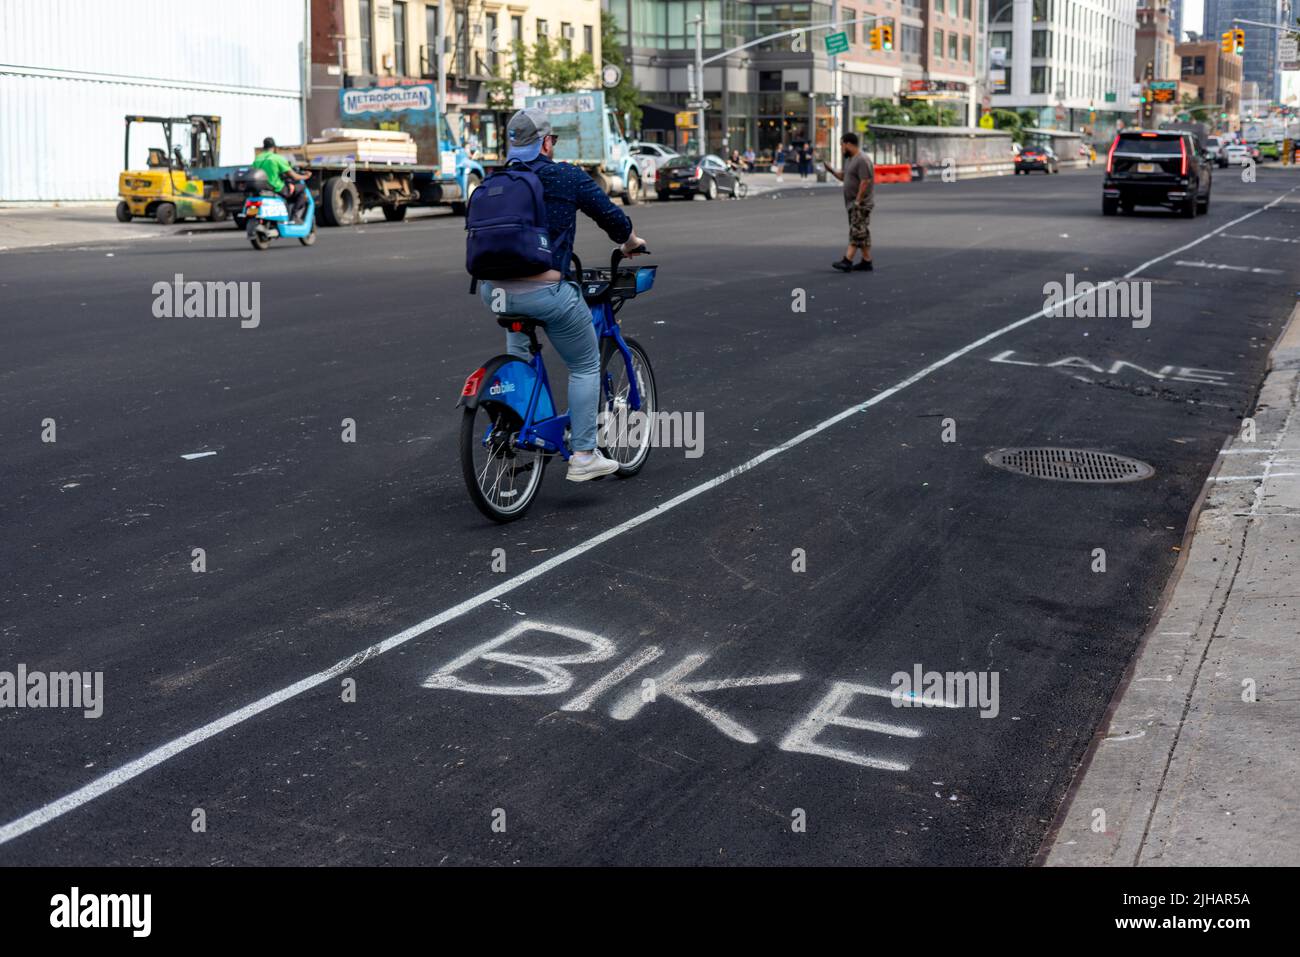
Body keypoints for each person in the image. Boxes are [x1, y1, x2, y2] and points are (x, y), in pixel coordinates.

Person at [477, 107, 648, 482]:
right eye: (551, 139)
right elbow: (613, 219)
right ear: (546, 142)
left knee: (518, 356)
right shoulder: (565, 175)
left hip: (494, 293)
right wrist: (631, 242)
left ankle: (519, 427)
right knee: (584, 363)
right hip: (545, 290)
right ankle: (584, 455)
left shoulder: (496, 179)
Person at [824, 132, 874, 272]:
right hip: (852, 203)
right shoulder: (850, 160)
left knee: (856, 232)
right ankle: (866, 261)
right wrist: (832, 171)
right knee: (861, 231)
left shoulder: (862, 159)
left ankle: (847, 260)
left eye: (841, 145)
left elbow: (865, 181)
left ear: (849, 144)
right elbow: (844, 177)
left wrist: (858, 201)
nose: (841, 148)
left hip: (861, 204)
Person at [251, 137, 309, 223]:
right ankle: (294, 217)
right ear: (274, 147)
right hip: (277, 188)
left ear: (264, 147)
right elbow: (294, 176)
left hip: (262, 189)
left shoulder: (257, 159)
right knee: (302, 188)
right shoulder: (277, 158)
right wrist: (306, 176)